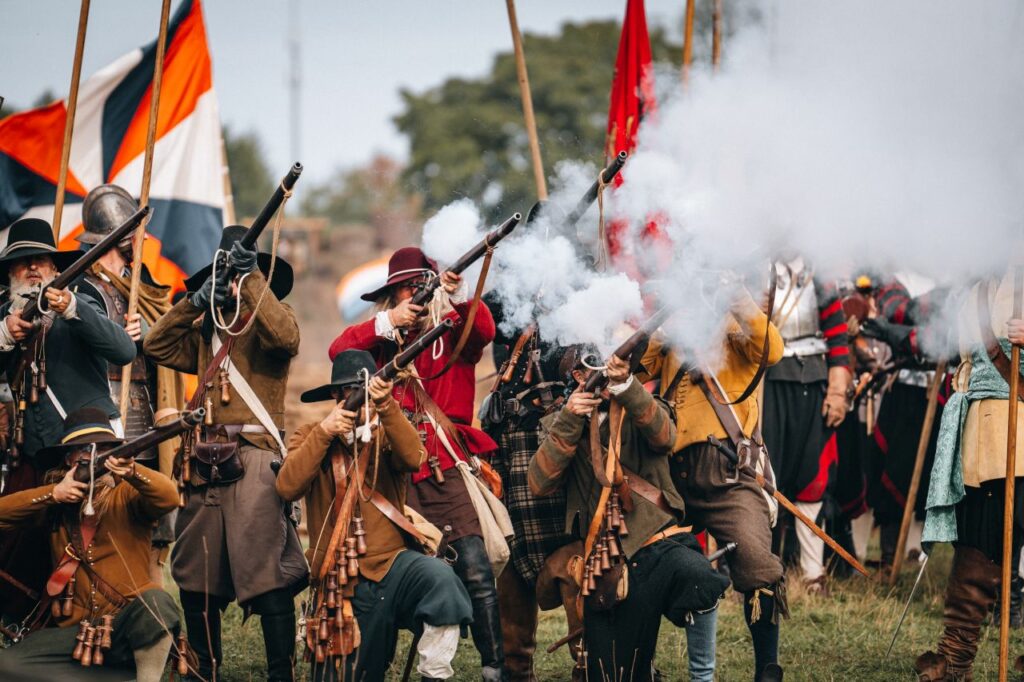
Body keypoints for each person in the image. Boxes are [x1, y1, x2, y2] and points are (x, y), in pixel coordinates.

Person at [328, 246, 505, 681]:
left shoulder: (454, 328)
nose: (413, 293)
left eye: (418, 285)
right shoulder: (381, 338)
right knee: (383, 577)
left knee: (476, 568)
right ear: (394, 296)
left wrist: (458, 293)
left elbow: (484, 330)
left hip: (443, 465)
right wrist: (389, 322)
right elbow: (338, 350)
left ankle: (494, 669)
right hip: (390, 469)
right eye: (405, 288)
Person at [144, 226, 308, 682]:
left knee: (265, 572)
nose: (232, 283)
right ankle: (205, 671)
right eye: (226, 275)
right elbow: (155, 344)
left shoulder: (273, 319)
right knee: (195, 573)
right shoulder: (207, 332)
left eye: (236, 274)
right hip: (203, 461)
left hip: (253, 456)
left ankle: (281, 674)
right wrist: (196, 302)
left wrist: (250, 276)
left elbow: (287, 339)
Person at [529, 345, 729, 682]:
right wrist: (570, 419)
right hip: (606, 559)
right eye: (595, 367)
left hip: (658, 541)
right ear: (578, 376)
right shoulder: (559, 423)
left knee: (700, 577)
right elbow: (539, 482)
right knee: (613, 674)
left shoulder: (641, 402)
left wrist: (626, 386)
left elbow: (664, 437)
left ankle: (702, 678)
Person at [277, 349, 474, 682]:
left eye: (364, 392)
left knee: (441, 582)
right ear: (336, 396)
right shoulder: (311, 434)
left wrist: (387, 406)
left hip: (392, 567)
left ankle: (434, 675)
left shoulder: (386, 432)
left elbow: (414, 458)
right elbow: (287, 486)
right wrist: (325, 432)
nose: (358, 399)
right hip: (338, 582)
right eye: (349, 391)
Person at [638, 281, 786, 682]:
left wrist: (736, 296)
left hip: (729, 473)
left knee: (757, 564)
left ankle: (766, 669)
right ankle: (640, 665)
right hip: (670, 474)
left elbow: (772, 350)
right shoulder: (673, 331)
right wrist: (661, 327)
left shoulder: (735, 325)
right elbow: (635, 369)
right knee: (643, 559)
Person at [0, 217, 136, 626]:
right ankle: (34, 627)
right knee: (26, 545)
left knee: (100, 541)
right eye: (23, 261)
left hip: (90, 444)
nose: (33, 268)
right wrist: (4, 333)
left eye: (41, 260)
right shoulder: (4, 315)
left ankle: (115, 626)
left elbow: (124, 350)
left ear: (56, 268)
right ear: (10, 272)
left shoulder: (81, 300)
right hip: (35, 453)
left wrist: (72, 309)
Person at [0, 407, 180, 681]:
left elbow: (169, 497)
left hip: (126, 625)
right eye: (85, 449)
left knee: (158, 603)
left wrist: (133, 471)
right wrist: (54, 493)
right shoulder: (56, 500)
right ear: (69, 459)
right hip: (75, 632)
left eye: (104, 448)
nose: (95, 456)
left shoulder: (129, 493)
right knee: (6, 664)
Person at [72, 184, 185, 580]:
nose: (142, 242)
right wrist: (117, 336)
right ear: (121, 239)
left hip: (144, 414)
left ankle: (147, 592)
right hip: (106, 412)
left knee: (146, 514)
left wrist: (150, 333)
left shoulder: (141, 285)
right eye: (136, 235)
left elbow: (166, 340)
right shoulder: (84, 288)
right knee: (105, 513)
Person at [916, 271, 1022, 680]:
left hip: (1019, 428)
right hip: (983, 436)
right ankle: (956, 657)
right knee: (977, 546)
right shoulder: (975, 287)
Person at [481, 296, 573, 682]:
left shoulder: (573, 307)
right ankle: (516, 673)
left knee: (581, 566)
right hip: (509, 452)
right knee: (509, 575)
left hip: (557, 449)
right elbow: (486, 317)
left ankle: (593, 666)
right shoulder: (509, 300)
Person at [760, 257, 852, 593]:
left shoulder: (819, 269)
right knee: (765, 477)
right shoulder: (758, 264)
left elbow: (837, 337)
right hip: (768, 380)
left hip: (813, 380)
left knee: (813, 477)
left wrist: (837, 391)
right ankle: (762, 569)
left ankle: (813, 574)